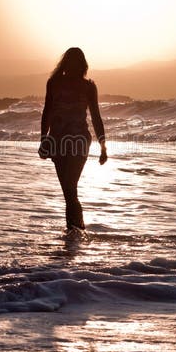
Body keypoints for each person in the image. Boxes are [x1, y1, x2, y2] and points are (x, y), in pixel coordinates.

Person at [39, 47, 107, 230]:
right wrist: (43, 139)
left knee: (70, 188)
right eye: (72, 62)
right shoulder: (53, 83)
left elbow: (96, 117)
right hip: (58, 141)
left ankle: (77, 229)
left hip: (78, 142)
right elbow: (47, 111)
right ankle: (73, 232)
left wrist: (103, 146)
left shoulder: (88, 87)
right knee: (68, 191)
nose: (74, 66)